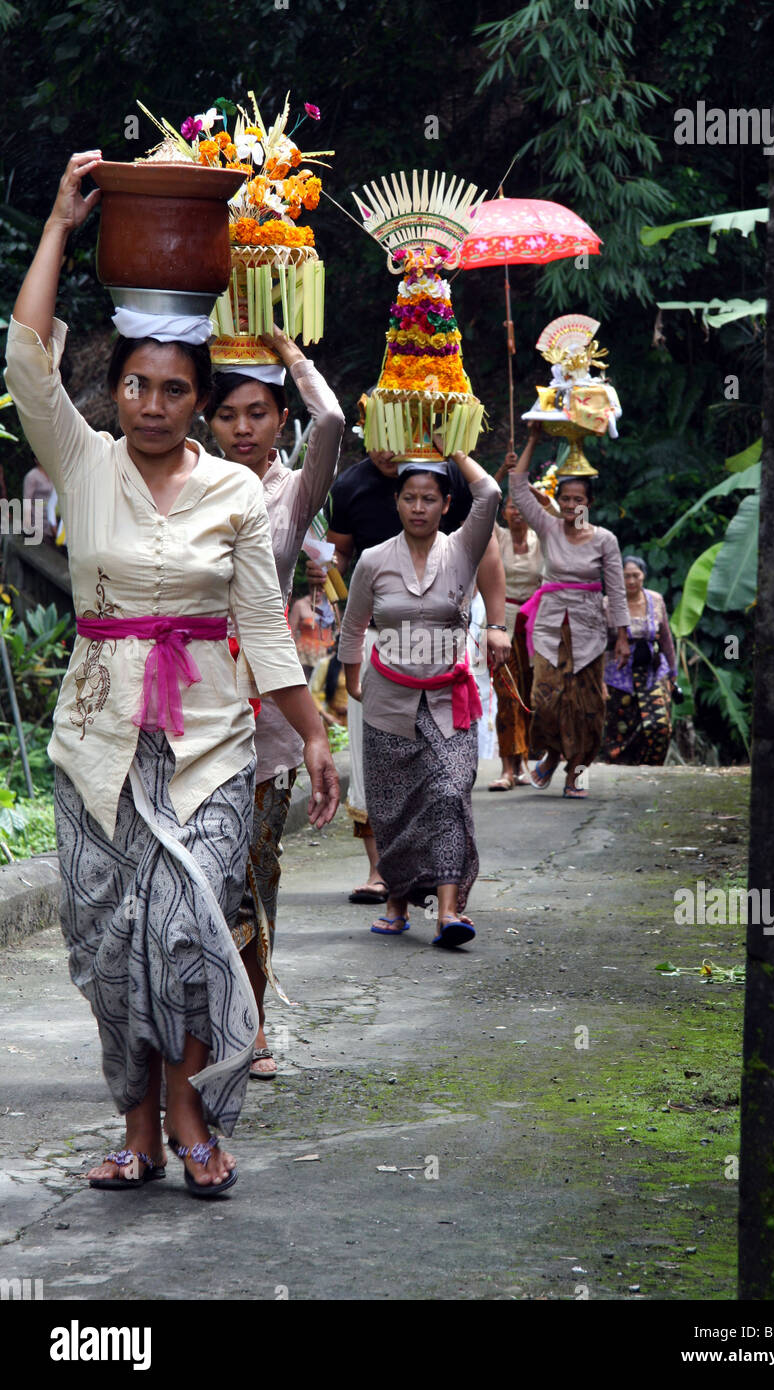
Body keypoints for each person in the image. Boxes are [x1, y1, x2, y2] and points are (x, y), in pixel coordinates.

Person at [4, 151, 340, 1197]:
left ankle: (191, 1110)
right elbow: (25, 355)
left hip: (207, 740)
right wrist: (62, 224)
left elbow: (260, 624)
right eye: (137, 387)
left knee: (190, 927)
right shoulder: (82, 459)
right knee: (112, 944)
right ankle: (136, 1127)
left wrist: (315, 730)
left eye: (174, 390)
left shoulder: (235, 495)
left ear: (199, 400)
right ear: (119, 393)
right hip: (98, 737)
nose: (152, 404)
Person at [205, 327, 343, 1079]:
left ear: (278, 421)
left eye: (258, 414)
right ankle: (198, 1020)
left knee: (256, 867)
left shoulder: (291, 492)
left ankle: (252, 1022)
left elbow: (333, 424)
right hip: (188, 703)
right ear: (209, 421)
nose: (243, 429)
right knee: (197, 872)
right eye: (228, 415)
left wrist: (290, 355)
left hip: (269, 708)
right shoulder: (188, 480)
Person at [308, 439, 510, 904]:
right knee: (390, 794)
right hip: (384, 674)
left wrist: (456, 450)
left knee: (450, 790)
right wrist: (353, 677)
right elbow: (353, 622)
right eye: (409, 498)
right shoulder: (370, 546)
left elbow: (491, 497)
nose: (419, 507)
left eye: (430, 498)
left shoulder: (462, 545)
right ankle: (392, 887)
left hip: (447, 686)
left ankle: (447, 907)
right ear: (395, 501)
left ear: (447, 504)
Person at [509, 422, 630, 798]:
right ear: (557, 499)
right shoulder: (547, 528)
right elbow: (516, 486)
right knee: (544, 700)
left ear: (588, 503)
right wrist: (532, 439)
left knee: (589, 707)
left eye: (578, 499)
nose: (571, 505)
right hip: (549, 626)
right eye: (565, 498)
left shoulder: (605, 540)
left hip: (591, 630)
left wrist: (622, 636)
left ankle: (576, 774)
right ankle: (551, 753)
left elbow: (617, 588)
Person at [488, 464, 544, 790]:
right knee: (507, 692)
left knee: (534, 692)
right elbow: (480, 502)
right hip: (505, 619)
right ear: (506, 512)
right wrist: (502, 471)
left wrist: (525, 487)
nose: (517, 512)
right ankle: (508, 768)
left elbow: (552, 509)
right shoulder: (500, 537)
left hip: (537, 622)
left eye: (523, 507)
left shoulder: (543, 539)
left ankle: (528, 762)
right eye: (512, 505)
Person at [601, 555, 678, 765]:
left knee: (658, 725)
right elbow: (599, 643)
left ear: (643, 575)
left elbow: (666, 639)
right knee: (621, 729)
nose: (631, 581)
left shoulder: (656, 600)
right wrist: (599, 681)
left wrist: (673, 673)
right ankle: (622, 770)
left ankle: (650, 768)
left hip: (652, 671)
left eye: (636, 575)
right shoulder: (608, 604)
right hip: (619, 674)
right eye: (626, 577)